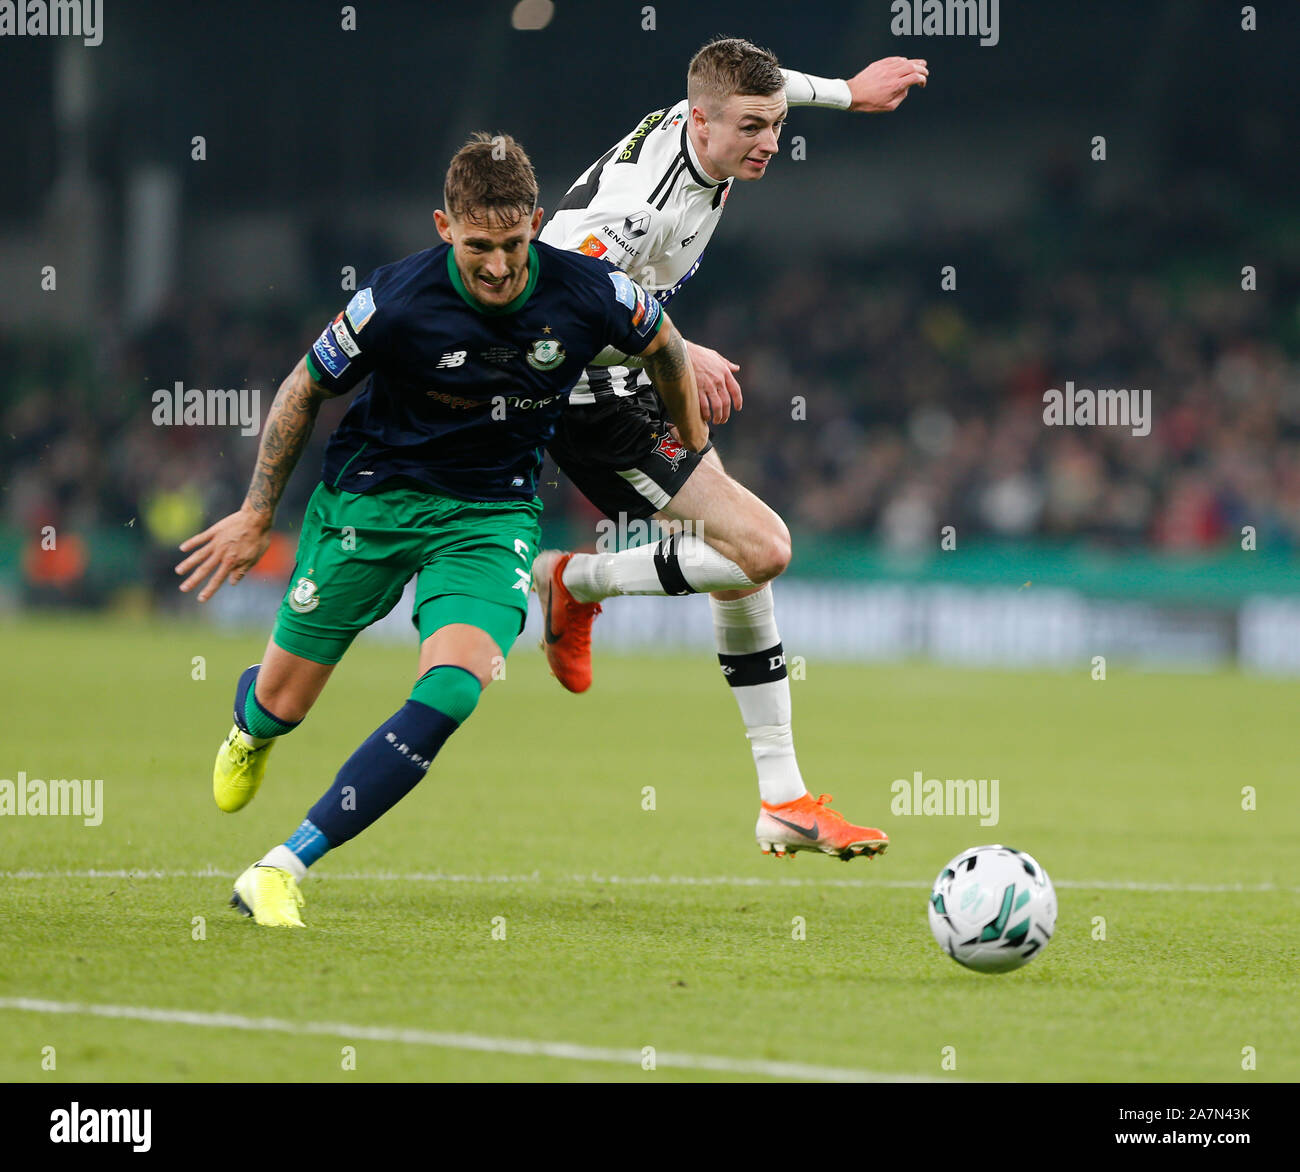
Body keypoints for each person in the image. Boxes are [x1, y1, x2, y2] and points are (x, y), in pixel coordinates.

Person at [174, 132, 704, 926]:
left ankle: (282, 866)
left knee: (455, 687)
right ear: (443, 227)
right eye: (479, 246)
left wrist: (692, 446)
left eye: (515, 243)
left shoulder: (591, 291)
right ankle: (254, 722)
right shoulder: (395, 301)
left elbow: (664, 346)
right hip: (372, 503)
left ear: (536, 221)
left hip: (489, 513)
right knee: (284, 703)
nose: (498, 266)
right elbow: (300, 389)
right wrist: (257, 512)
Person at [534, 38, 927, 861]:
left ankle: (783, 801)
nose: (770, 143)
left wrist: (850, 94)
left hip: (632, 373)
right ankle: (576, 579)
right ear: (700, 120)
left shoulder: (715, 120)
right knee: (763, 548)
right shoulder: (634, 206)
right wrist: (674, 348)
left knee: (741, 564)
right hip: (582, 394)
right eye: (754, 127)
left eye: (777, 126)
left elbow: (770, 85)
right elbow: (551, 300)